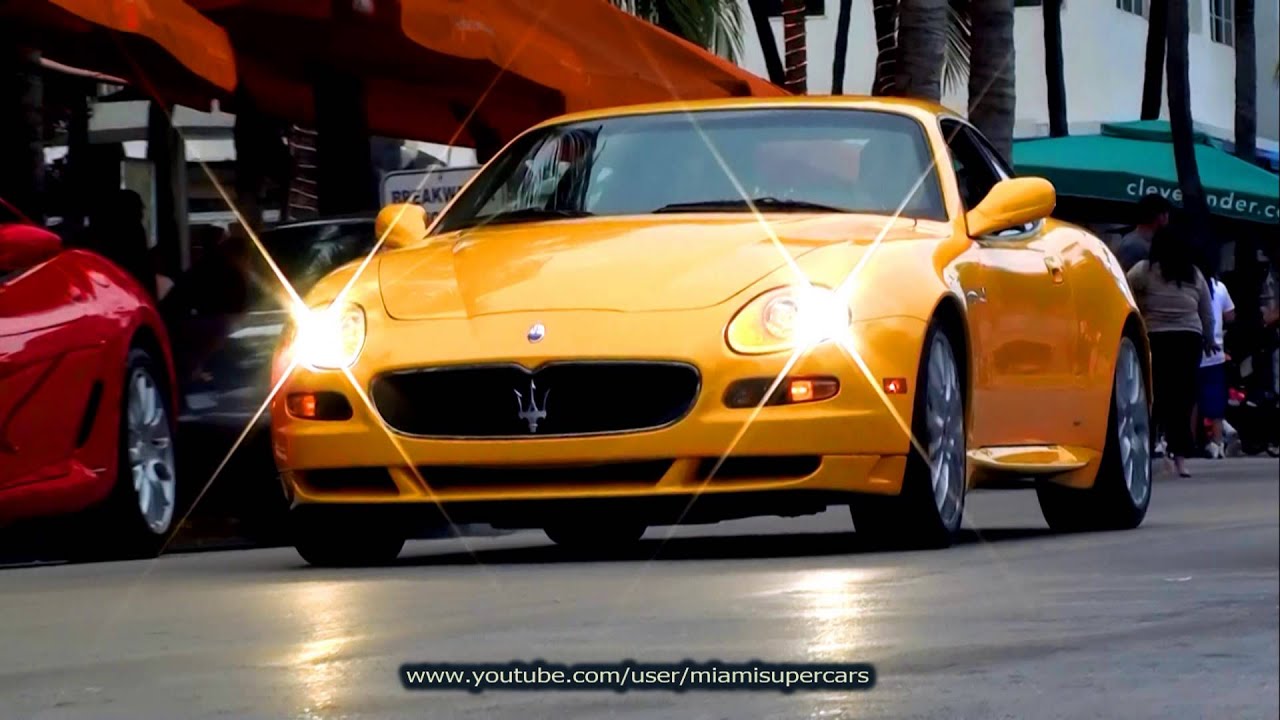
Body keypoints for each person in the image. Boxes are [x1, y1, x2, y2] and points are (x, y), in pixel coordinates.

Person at [1127, 224, 1216, 477]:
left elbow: (1124, 290)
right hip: (1189, 339)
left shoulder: (1143, 270)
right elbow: (1206, 312)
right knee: (1183, 399)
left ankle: (1150, 447)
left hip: (1156, 338)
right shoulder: (1194, 274)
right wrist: (1209, 339)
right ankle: (1179, 458)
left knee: (1154, 395)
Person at [1195, 269, 1235, 458]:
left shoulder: (1189, 285)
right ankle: (1218, 442)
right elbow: (1230, 316)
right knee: (1216, 400)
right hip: (1216, 351)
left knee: (1191, 399)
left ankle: (1189, 441)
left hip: (1193, 349)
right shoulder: (1220, 287)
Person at [1115, 195, 1173, 272]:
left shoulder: (1147, 242)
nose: (1167, 217)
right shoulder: (1133, 245)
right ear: (1160, 216)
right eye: (1166, 213)